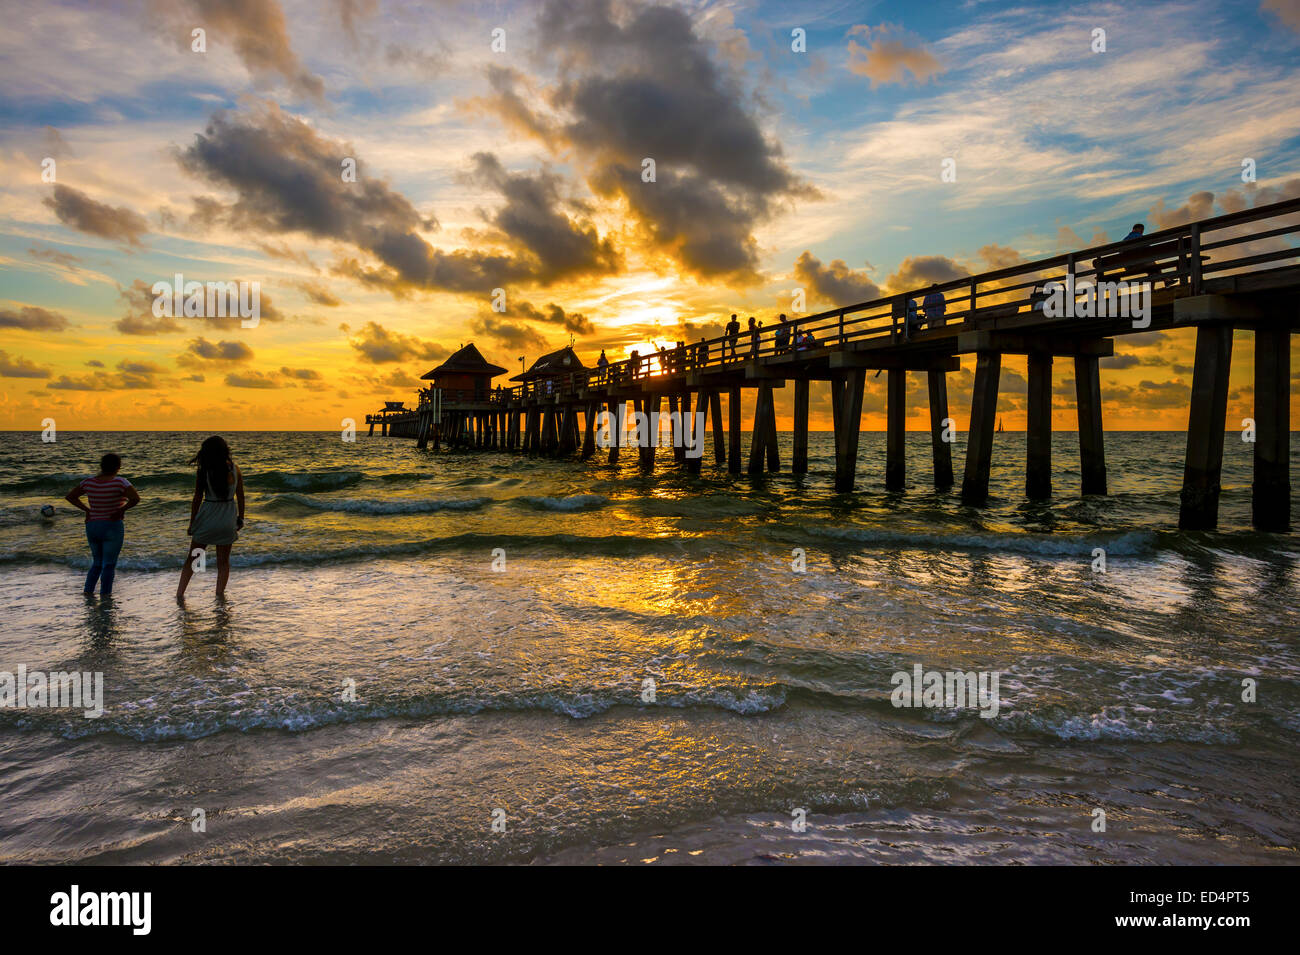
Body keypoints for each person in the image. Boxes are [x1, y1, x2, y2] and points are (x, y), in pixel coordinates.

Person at [177, 436, 245, 600]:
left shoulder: (204, 471)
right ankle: (219, 596)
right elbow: (241, 496)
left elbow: (197, 498)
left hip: (207, 519)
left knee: (194, 558)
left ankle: (180, 595)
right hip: (227, 519)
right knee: (223, 562)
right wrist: (240, 518)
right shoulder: (235, 469)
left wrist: (192, 523)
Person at [65, 453, 139, 597]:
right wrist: (121, 510)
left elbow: (70, 497)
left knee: (97, 562)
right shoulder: (121, 482)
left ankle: (88, 591)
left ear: (101, 466)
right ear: (118, 467)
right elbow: (135, 499)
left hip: (92, 525)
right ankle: (105, 595)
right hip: (112, 526)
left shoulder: (88, 482)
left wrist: (87, 510)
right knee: (109, 564)